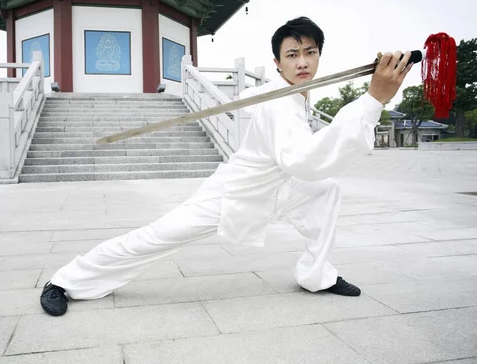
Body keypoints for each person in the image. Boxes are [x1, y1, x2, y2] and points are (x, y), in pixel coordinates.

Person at [40, 16, 414, 316]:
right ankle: (64, 281)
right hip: (237, 191)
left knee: (326, 191)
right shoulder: (278, 103)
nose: (302, 62)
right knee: (157, 236)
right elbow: (303, 159)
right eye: (292, 54)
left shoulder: (289, 93)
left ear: (319, 55)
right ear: (277, 62)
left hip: (279, 184)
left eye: (310, 52)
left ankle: (318, 275)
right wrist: (371, 102)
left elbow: (301, 162)